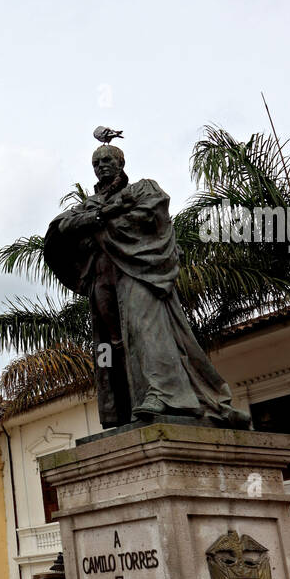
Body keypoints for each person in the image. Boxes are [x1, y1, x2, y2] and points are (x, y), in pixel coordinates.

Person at [43, 142, 249, 429]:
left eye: (107, 159)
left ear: (120, 163)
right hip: (102, 280)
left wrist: (98, 224)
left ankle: (162, 395)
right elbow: (61, 228)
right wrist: (102, 215)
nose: (102, 165)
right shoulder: (88, 205)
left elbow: (149, 217)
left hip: (136, 273)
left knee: (142, 332)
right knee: (113, 346)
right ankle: (128, 405)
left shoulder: (141, 189)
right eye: (96, 162)